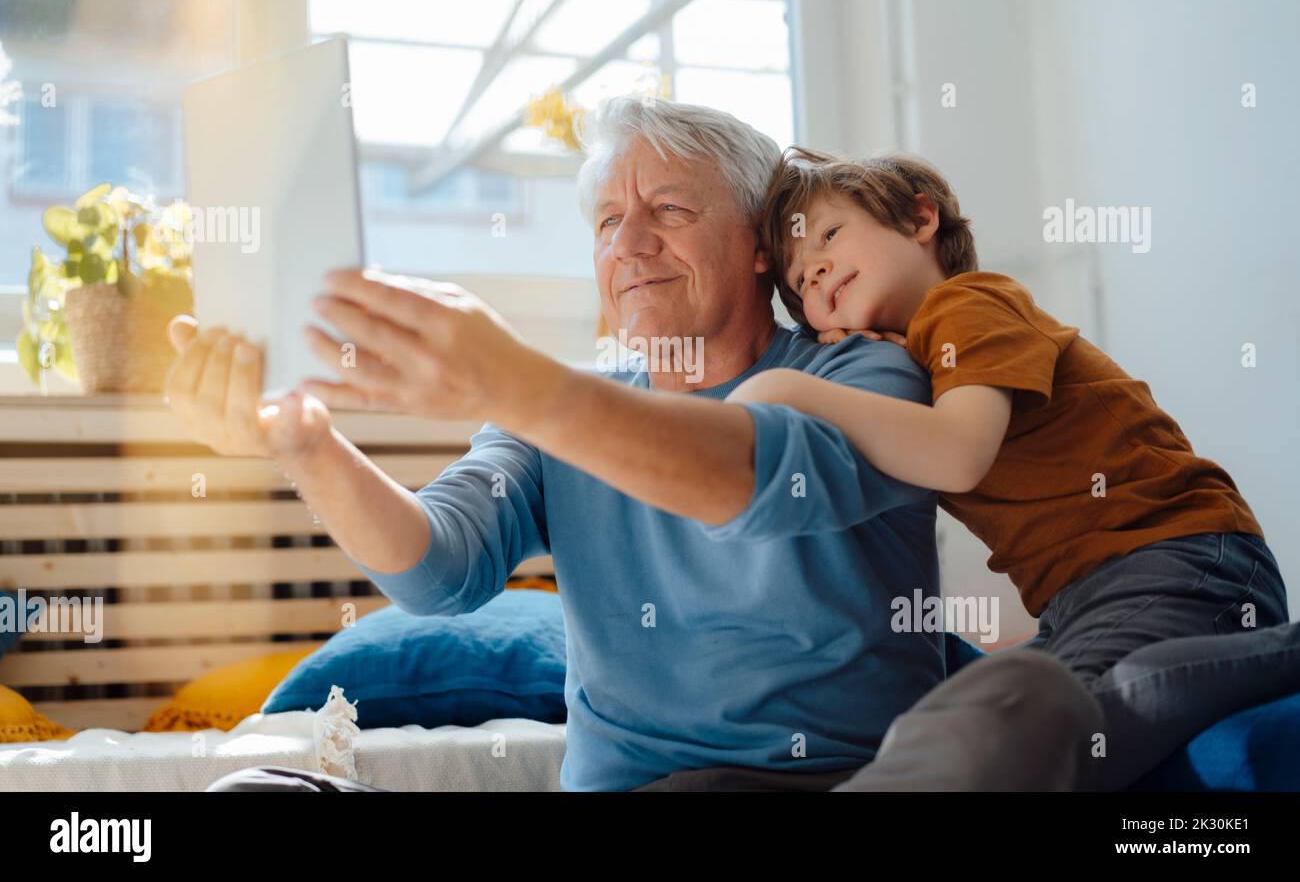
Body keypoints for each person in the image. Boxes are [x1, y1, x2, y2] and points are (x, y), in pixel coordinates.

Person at [168, 97, 1099, 793]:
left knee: (1029, 697)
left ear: (763, 245)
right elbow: (434, 570)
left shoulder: (865, 373)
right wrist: (307, 444)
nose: (631, 244)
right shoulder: (552, 409)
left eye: (670, 211)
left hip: (837, 782)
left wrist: (517, 382)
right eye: (609, 222)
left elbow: (745, 477)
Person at [729, 146, 1300, 790]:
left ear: (922, 220)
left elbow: (957, 452)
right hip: (1082, 598)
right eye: (802, 281)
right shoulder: (921, 355)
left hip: (1173, 556)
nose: (819, 268)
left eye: (830, 235)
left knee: (1055, 733)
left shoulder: (968, 304)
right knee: (993, 707)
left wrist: (790, 389)